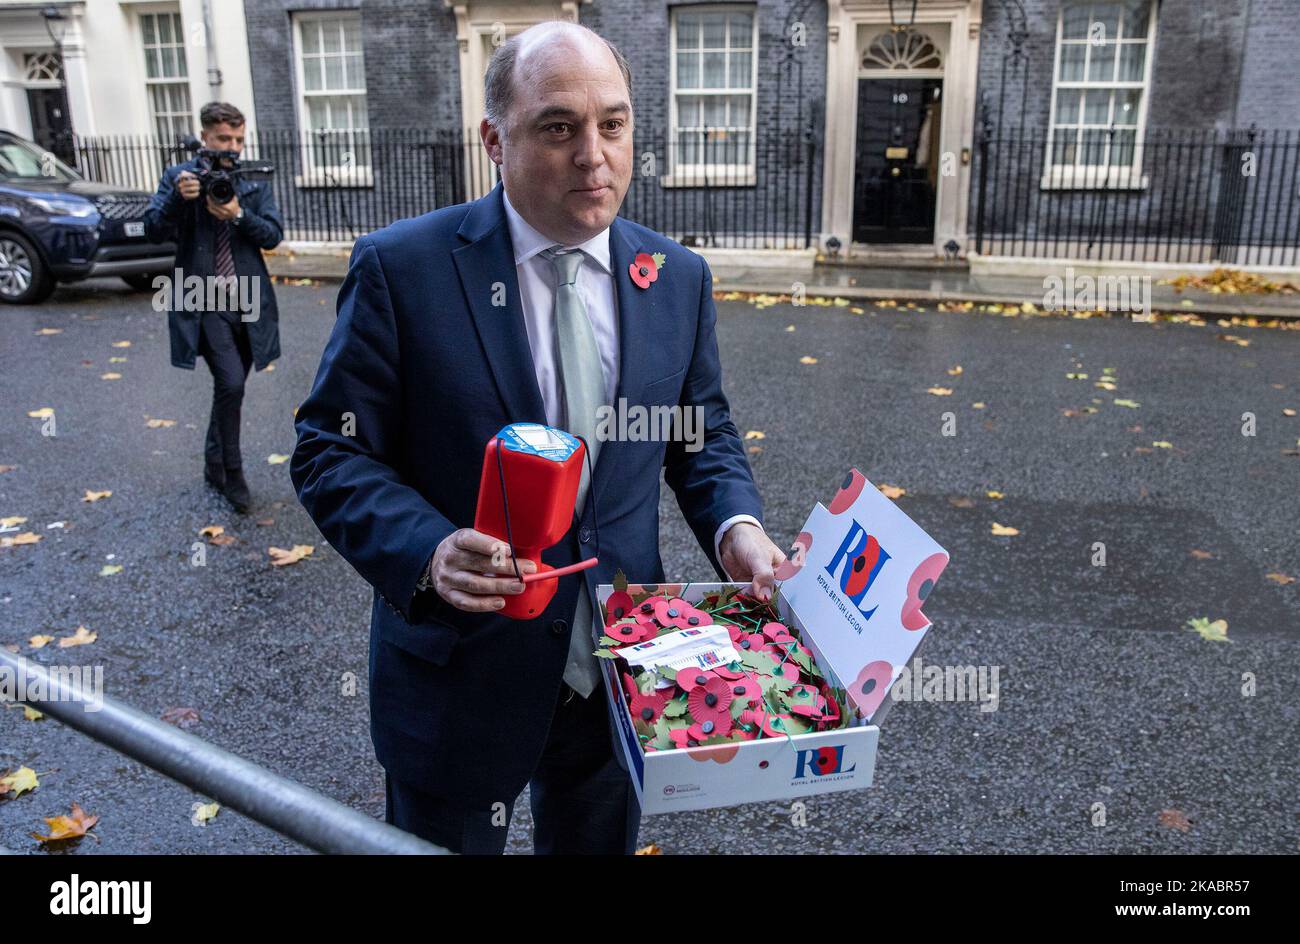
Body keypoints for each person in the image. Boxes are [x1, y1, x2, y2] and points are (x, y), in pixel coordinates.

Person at [290, 21, 785, 855]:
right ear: (495, 138)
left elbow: (701, 436)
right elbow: (328, 448)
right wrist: (428, 549)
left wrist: (738, 531)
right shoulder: (403, 270)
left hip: (620, 670)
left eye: (614, 125)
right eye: (559, 127)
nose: (594, 155)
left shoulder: (677, 279)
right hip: (458, 678)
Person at [145, 101, 284, 514]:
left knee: (229, 386)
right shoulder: (181, 178)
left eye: (239, 138)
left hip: (247, 299)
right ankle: (233, 475)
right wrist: (176, 198)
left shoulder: (252, 180)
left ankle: (212, 462)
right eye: (225, 138)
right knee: (232, 383)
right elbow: (154, 230)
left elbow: (273, 235)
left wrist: (238, 214)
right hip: (202, 299)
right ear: (205, 136)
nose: (234, 146)